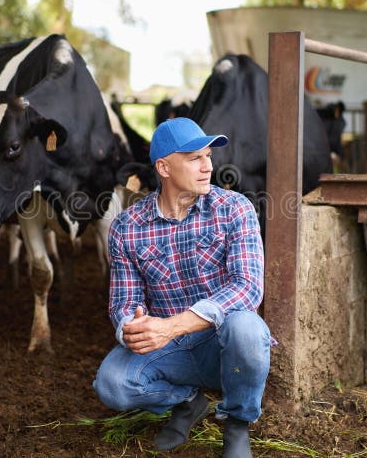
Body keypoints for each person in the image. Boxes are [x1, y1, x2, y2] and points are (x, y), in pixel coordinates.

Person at [93, 117, 272, 457]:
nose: (208, 167)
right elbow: (122, 302)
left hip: (222, 346)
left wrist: (170, 326)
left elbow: (247, 288)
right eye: (195, 158)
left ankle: (236, 423)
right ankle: (188, 402)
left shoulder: (235, 209)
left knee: (247, 328)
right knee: (112, 384)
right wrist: (132, 326)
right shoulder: (127, 227)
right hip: (168, 349)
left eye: (208, 156)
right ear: (163, 167)